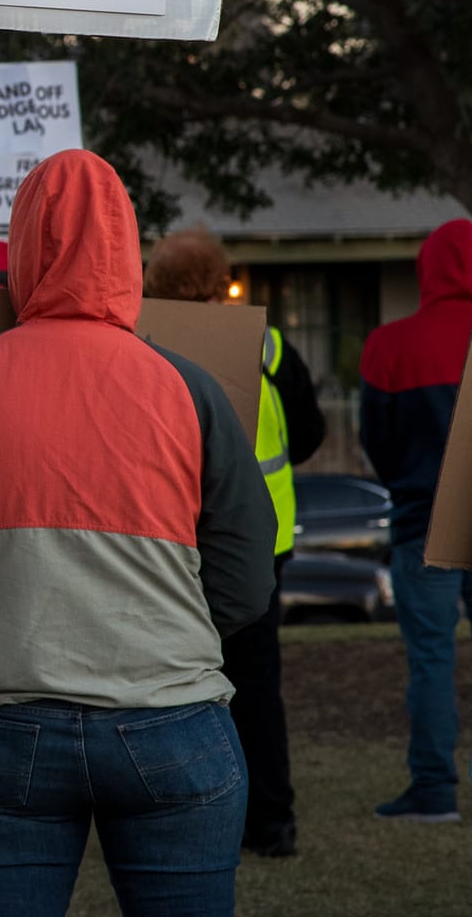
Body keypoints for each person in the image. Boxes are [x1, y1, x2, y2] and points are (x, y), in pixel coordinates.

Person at [0, 152, 275, 916]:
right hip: (173, 721)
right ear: (126, 251)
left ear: (21, 249)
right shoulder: (190, 388)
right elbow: (246, 584)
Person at [144, 226, 327, 858]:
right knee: (258, 685)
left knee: (172, 681)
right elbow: (309, 434)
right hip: (261, 544)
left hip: (170, 538)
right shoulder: (268, 345)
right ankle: (272, 823)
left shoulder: (146, 344)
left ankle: (181, 814)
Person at [360, 217, 472, 824]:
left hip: (422, 526)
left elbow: (375, 440)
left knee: (431, 661)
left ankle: (435, 791)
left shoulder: (389, 345)